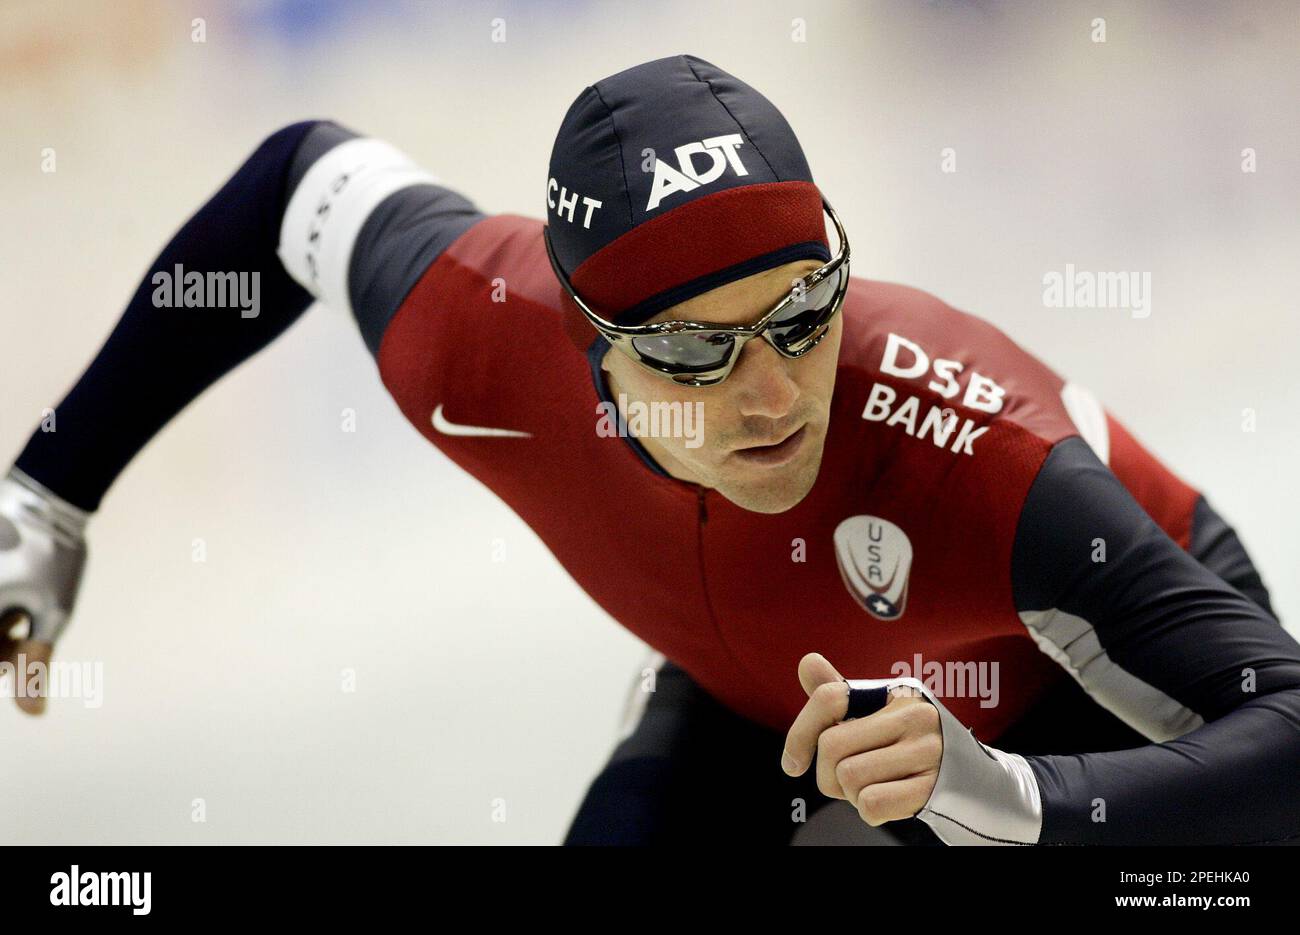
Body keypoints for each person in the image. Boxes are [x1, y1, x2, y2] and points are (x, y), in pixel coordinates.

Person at [2, 54, 1297, 845]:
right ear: (585, 345)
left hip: (1084, 714)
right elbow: (295, 184)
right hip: (761, 690)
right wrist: (51, 493)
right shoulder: (478, 325)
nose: (769, 394)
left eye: (801, 318)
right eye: (691, 353)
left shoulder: (979, 458)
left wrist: (1021, 798)